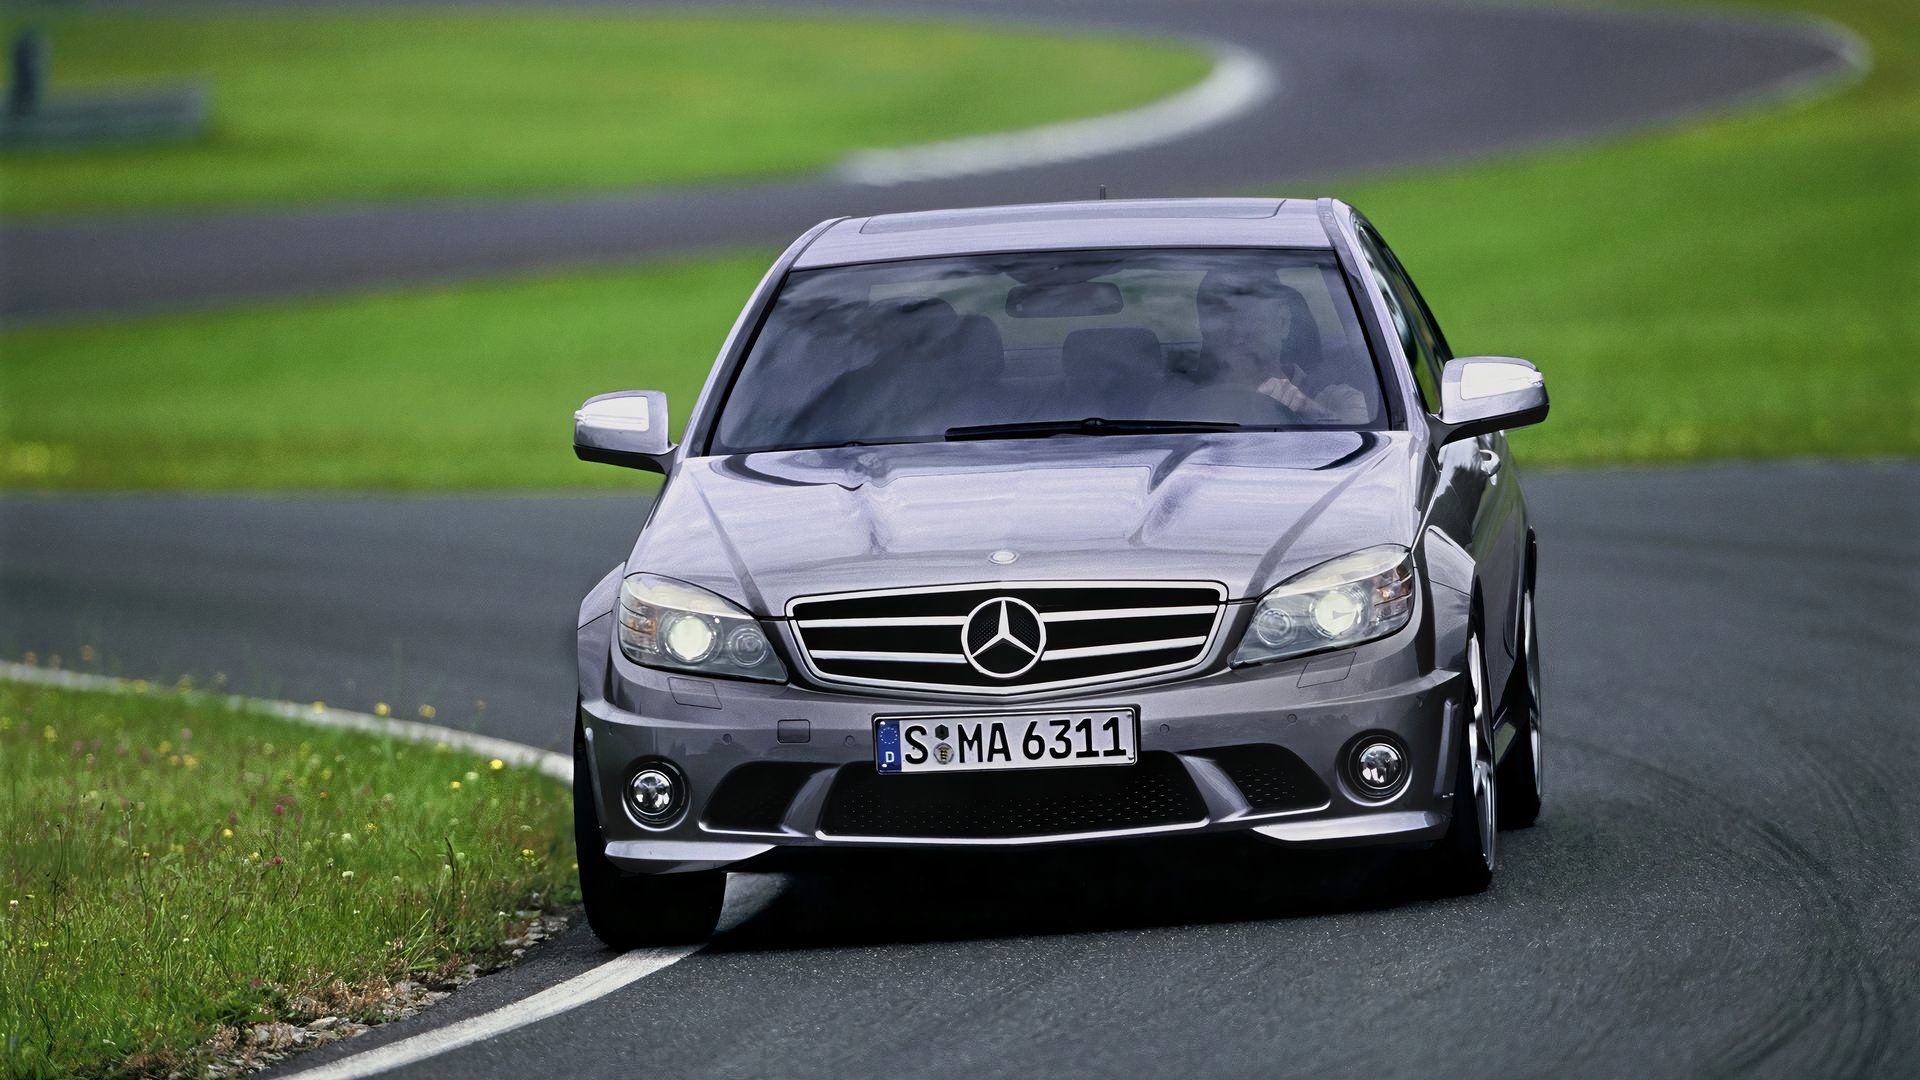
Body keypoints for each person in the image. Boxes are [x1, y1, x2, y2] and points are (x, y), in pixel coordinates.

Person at [1192, 270, 1369, 424]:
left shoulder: (1336, 399)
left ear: (1283, 322)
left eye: (1248, 320)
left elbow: (1366, 441)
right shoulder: (1185, 402)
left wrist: (1306, 408)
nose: (1237, 337)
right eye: (1220, 325)